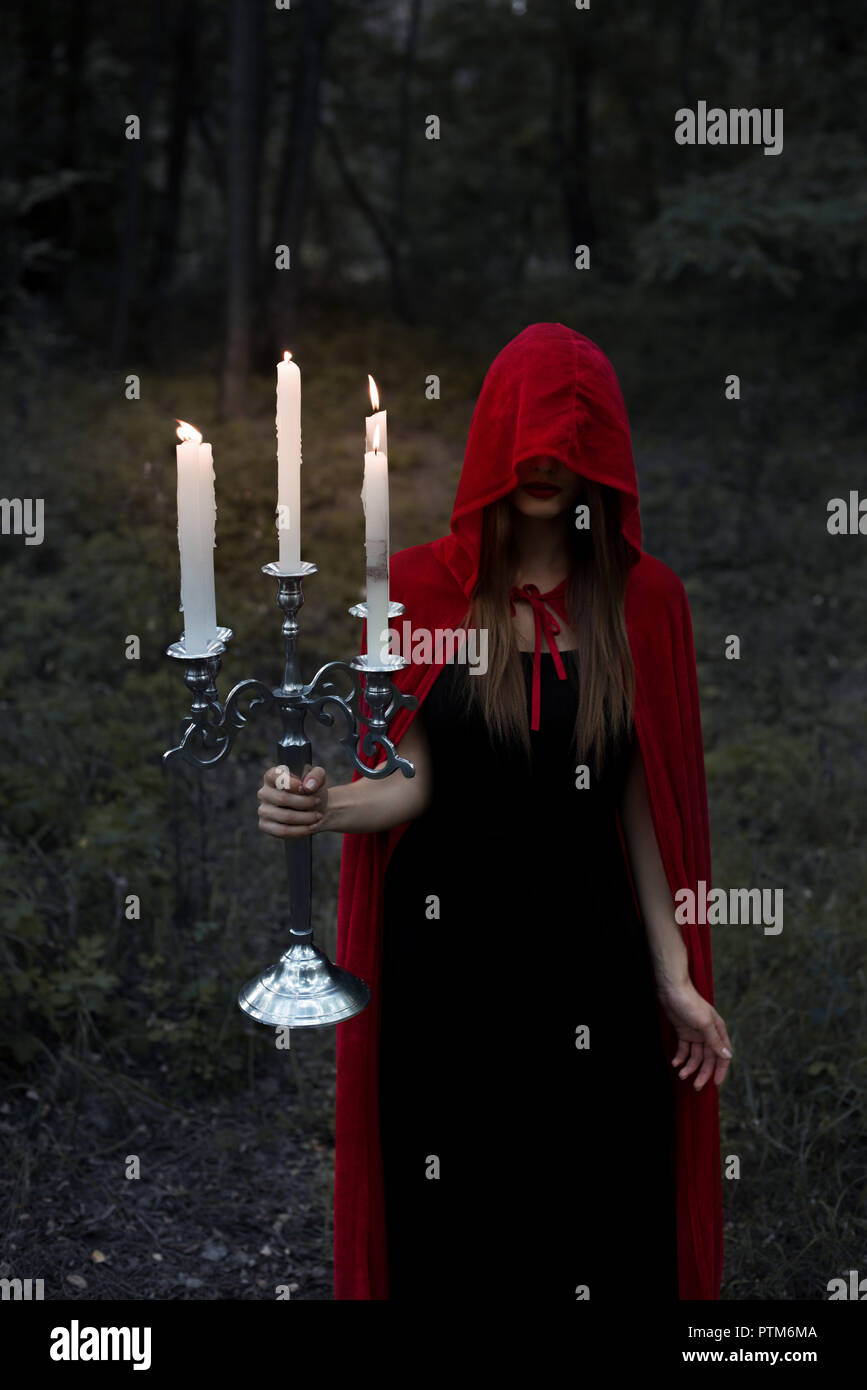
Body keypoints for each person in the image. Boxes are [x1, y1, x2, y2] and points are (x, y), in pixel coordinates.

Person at [257, 323, 731, 1301]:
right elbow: (411, 779)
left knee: (596, 1217)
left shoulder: (644, 602)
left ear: (604, 450)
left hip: (589, 961)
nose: (548, 460)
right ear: (495, 441)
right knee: (458, 1219)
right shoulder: (427, 587)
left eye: (572, 439)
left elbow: (650, 808)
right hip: (449, 970)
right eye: (529, 436)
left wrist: (674, 972)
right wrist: (322, 803)